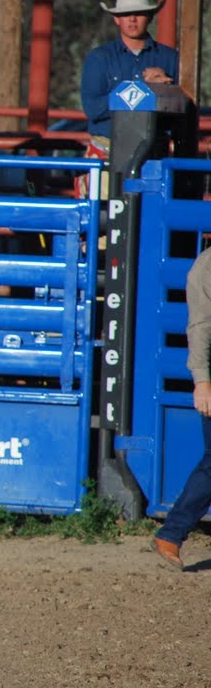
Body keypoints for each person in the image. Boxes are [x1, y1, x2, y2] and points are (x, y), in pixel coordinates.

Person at [152, 244, 211, 570]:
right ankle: (171, 533)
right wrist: (202, 380)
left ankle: (171, 534)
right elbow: (201, 325)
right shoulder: (207, 267)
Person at [79, 0, 180, 160]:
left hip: (155, 154)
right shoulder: (99, 58)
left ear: (150, 16)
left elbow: (182, 109)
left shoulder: (171, 59)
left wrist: (166, 89)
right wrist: (144, 88)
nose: (132, 18)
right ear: (116, 19)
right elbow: (92, 109)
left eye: (139, 13)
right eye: (126, 14)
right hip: (106, 153)